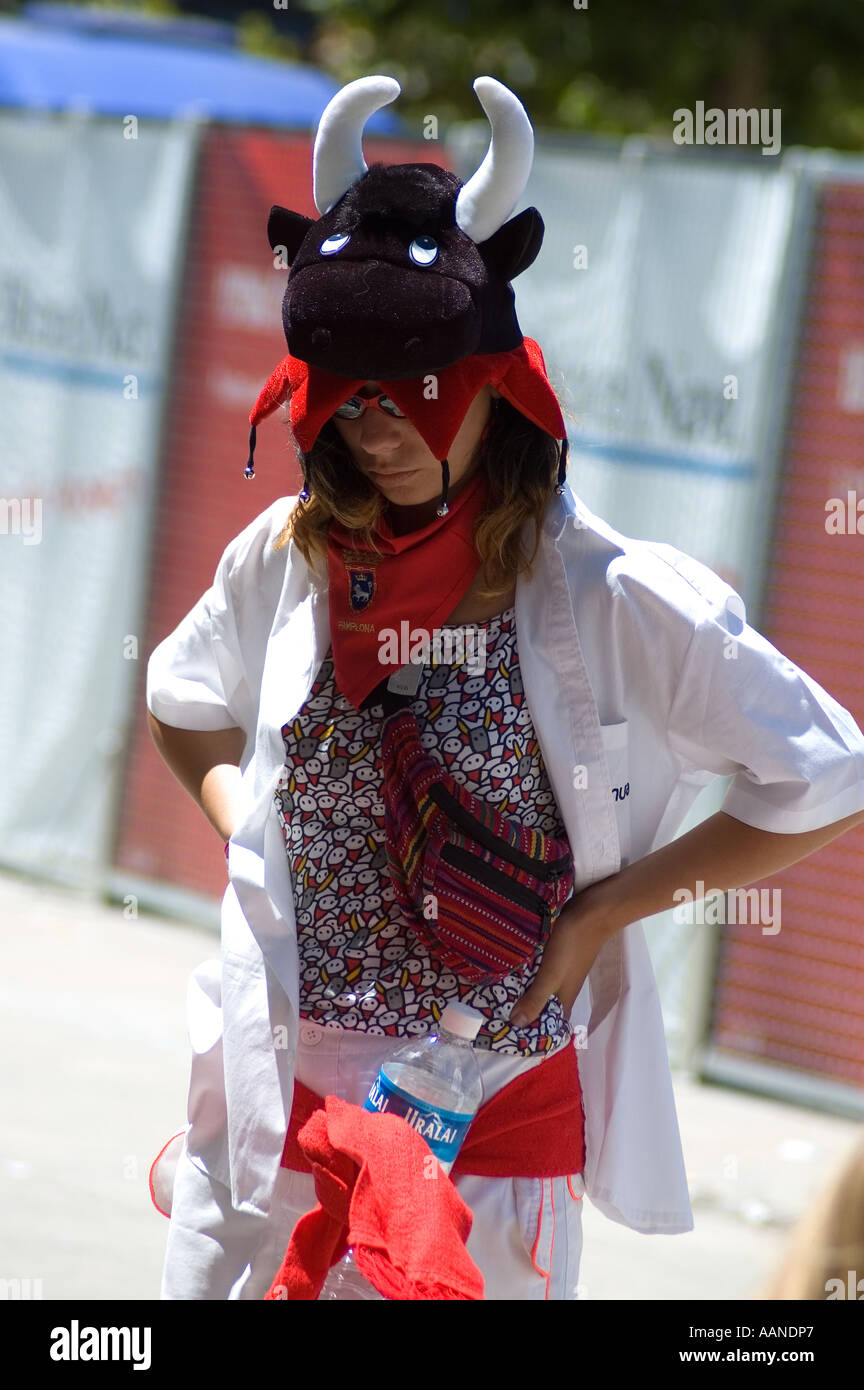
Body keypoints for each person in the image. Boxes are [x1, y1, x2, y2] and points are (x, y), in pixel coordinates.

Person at [146, 74, 864, 1301]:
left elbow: (826, 772)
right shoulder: (288, 556)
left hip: (475, 1141)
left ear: (494, 386)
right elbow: (179, 697)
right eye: (347, 391)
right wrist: (246, 827)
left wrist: (598, 916)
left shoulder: (614, 593)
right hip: (266, 1135)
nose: (374, 424)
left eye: (408, 388)